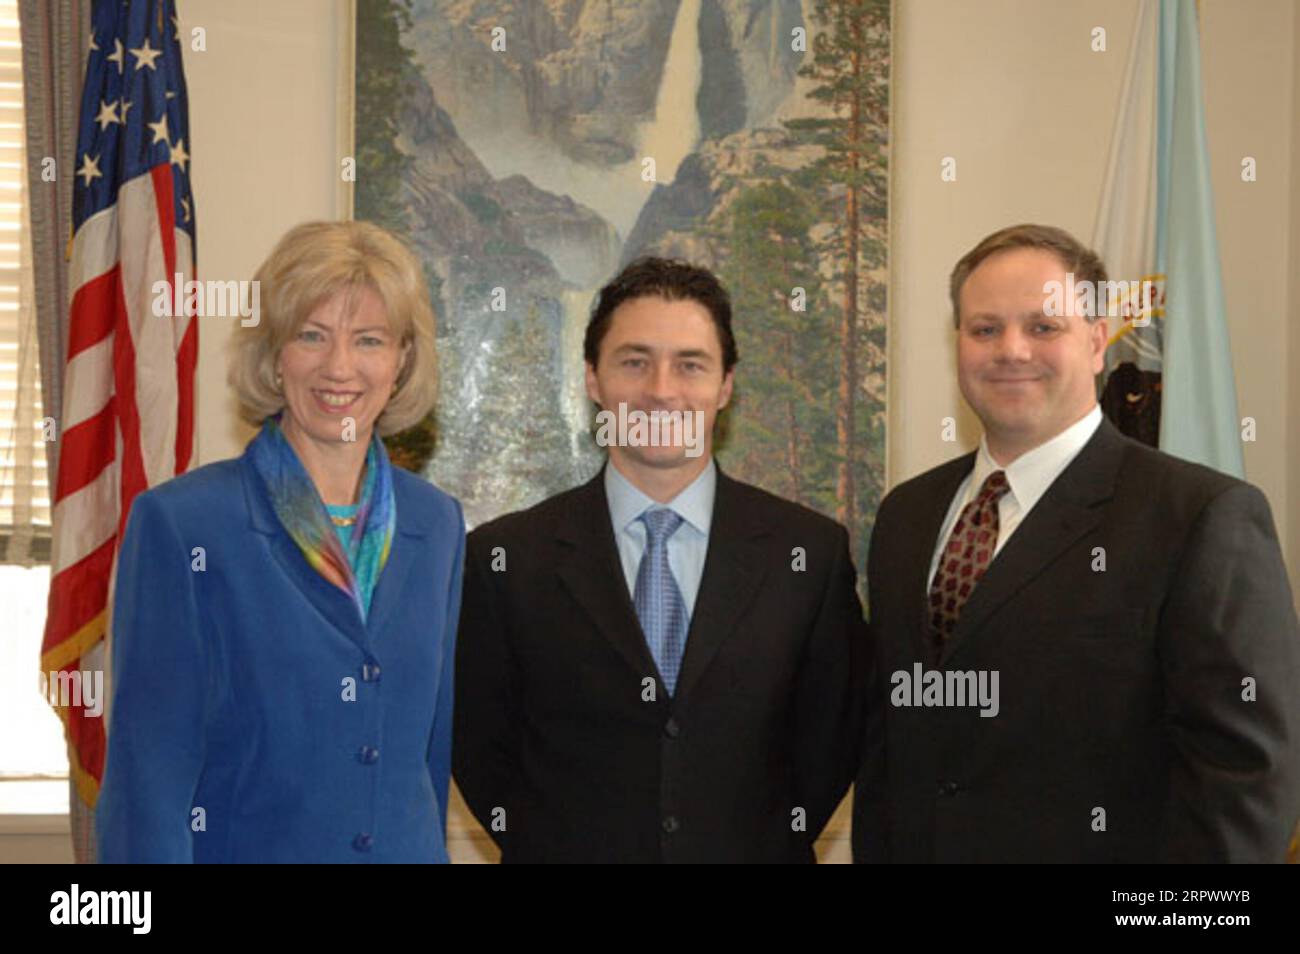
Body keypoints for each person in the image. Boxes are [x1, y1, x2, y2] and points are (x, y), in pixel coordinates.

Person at [852, 223, 1300, 863]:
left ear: (1096, 343)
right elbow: (889, 742)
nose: (1011, 350)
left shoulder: (1199, 516)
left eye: (1043, 327)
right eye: (985, 329)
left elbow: (1247, 776)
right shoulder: (907, 515)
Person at [453, 257, 868, 862]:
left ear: (725, 386)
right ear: (594, 380)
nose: (661, 390)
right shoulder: (505, 558)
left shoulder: (808, 556)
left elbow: (830, 744)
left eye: (690, 365)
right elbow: (480, 747)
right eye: (634, 361)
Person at [97, 221, 464, 862]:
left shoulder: (436, 525)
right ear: (274, 353)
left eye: (369, 340)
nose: (339, 367)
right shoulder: (183, 526)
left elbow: (426, 764)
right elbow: (146, 787)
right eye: (311, 336)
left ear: (403, 358)